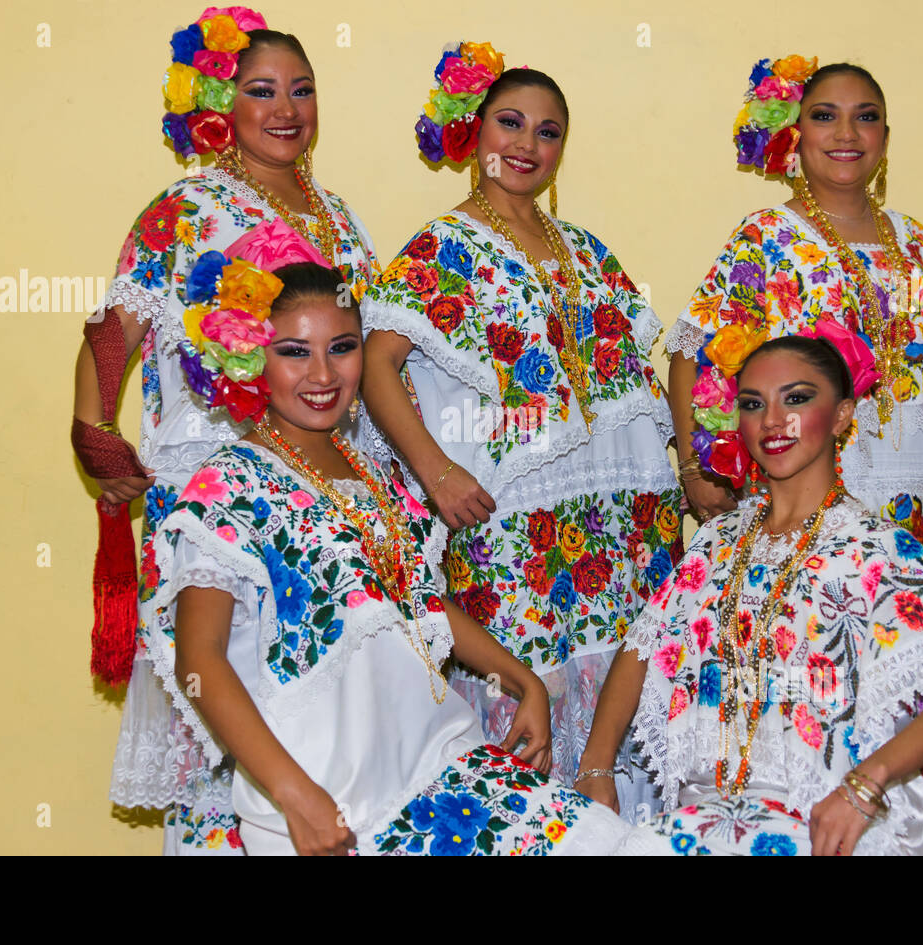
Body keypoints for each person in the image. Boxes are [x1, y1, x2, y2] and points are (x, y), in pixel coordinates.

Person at [142, 247, 669, 855]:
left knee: (612, 845)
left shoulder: (374, 476)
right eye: (294, 352)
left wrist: (522, 680)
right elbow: (199, 661)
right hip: (330, 803)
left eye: (342, 347)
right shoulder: (230, 485)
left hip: (439, 770)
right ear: (250, 355)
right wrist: (297, 797)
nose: (322, 374)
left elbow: (418, 604)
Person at [70, 7, 379, 854]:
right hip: (221, 502)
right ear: (219, 101)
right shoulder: (185, 210)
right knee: (229, 705)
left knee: (331, 713)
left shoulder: (341, 220)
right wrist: (91, 425)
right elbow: (114, 331)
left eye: (303, 90)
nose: (287, 108)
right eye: (262, 90)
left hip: (328, 496)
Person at [358, 42, 681, 819]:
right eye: (510, 123)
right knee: (526, 734)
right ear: (475, 134)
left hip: (620, 539)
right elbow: (375, 361)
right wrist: (435, 470)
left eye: (547, 131)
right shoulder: (442, 247)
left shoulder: (586, 252)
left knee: (614, 728)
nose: (527, 145)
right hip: (514, 541)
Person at [578, 332, 923, 855]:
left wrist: (865, 786)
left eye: (797, 399)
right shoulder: (718, 541)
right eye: (753, 404)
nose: (773, 421)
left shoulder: (873, 551)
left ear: (844, 414)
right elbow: (639, 650)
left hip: (817, 828)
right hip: (699, 824)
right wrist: (595, 769)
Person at [666, 57, 923, 637]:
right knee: (839, 655)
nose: (847, 134)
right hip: (833, 493)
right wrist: (694, 467)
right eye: (825, 116)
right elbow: (692, 352)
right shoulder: (767, 238)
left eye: (865, 118)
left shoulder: (914, 238)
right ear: (797, 134)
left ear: (885, 139)